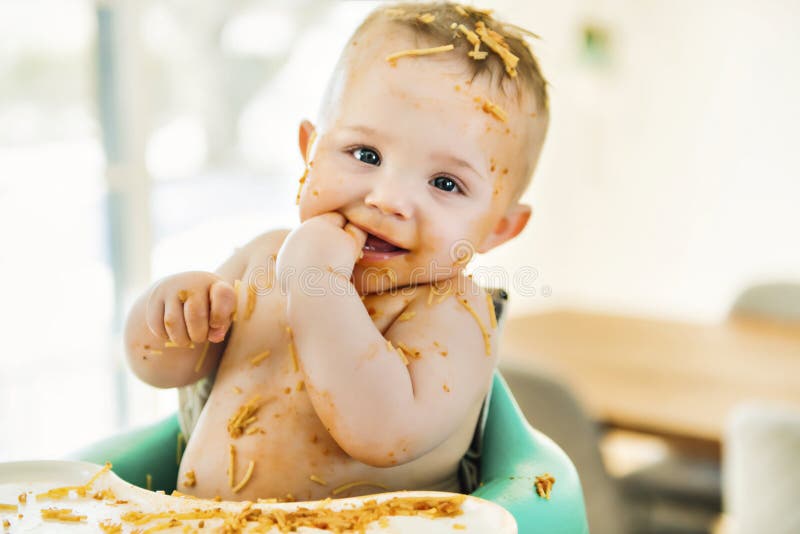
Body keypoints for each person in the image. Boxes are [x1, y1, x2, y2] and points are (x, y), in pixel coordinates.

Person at [123, 2, 549, 501]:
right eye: (366, 155)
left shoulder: (454, 315)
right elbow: (162, 367)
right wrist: (173, 313)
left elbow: (380, 432)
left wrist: (316, 283)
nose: (387, 199)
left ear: (498, 227)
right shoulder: (264, 258)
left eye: (445, 183)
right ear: (311, 151)